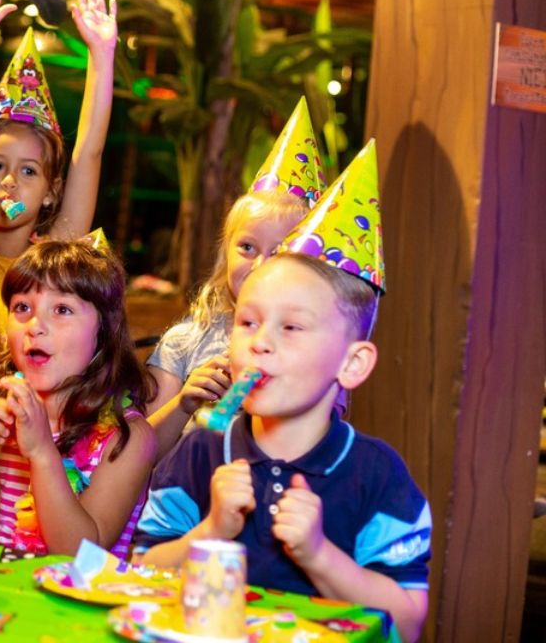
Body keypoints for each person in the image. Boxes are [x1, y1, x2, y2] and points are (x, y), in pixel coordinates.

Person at [135, 142, 430, 643]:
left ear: (352, 363)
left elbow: (407, 620)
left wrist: (319, 555)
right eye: (248, 322)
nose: (261, 342)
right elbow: (141, 571)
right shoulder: (202, 452)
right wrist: (209, 533)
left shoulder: (377, 477)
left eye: (292, 327)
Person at [0, 0, 118, 382]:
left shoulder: (57, 259)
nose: (10, 181)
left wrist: (102, 55)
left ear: (52, 190)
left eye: (29, 171)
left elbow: (89, 154)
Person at [0, 238, 157, 558]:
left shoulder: (127, 440)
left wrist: (42, 452)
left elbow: (81, 553)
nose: (35, 326)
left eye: (62, 309)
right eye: (22, 307)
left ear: (104, 329)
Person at [146, 100, 325, 456]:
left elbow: (317, 450)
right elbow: (139, 453)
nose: (259, 264)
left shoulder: (317, 354)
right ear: (224, 252)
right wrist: (184, 403)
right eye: (246, 246)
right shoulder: (184, 343)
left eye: (278, 253)